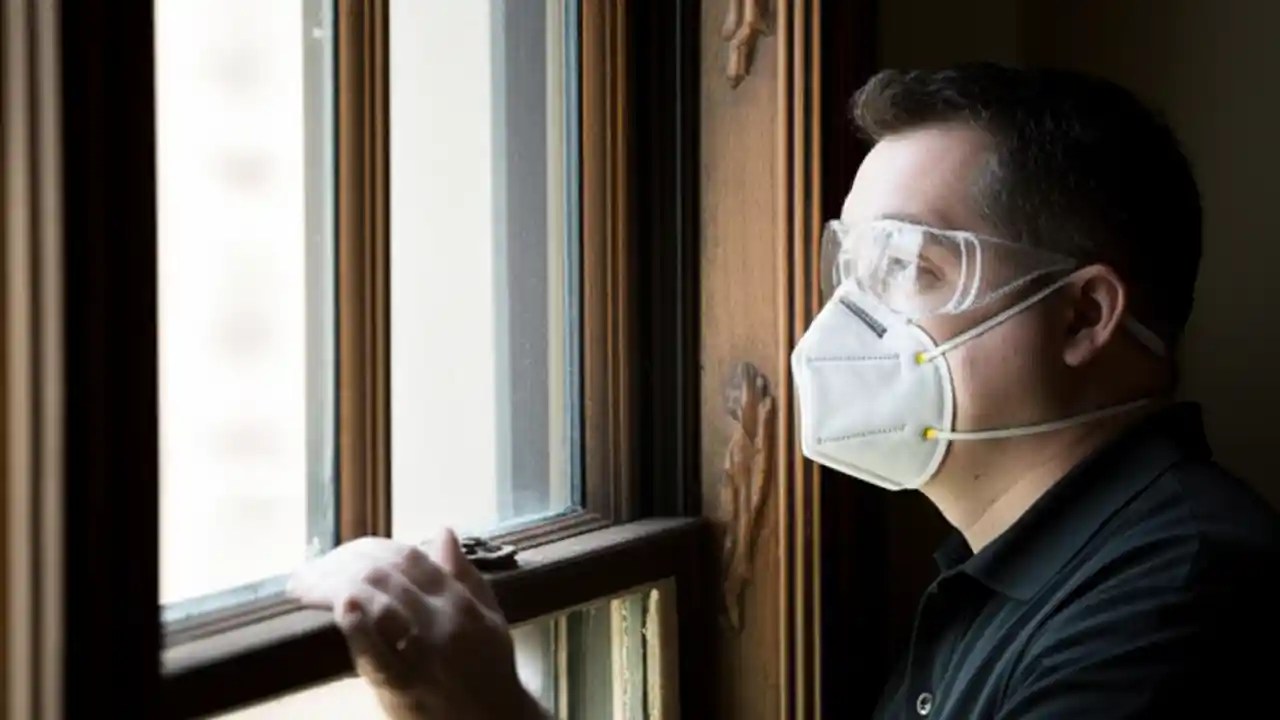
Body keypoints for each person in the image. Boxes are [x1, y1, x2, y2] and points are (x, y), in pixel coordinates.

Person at [289, 63, 1280, 719]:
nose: (841, 322)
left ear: (1081, 317)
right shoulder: (1011, 575)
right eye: (849, 266)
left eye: (905, 267)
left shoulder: (1175, 604)